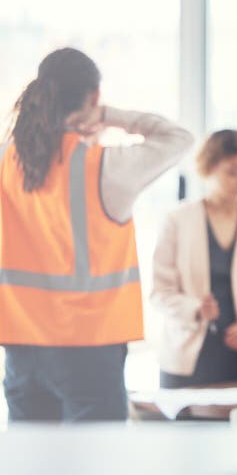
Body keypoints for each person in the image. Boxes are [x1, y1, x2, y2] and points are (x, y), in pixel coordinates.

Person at [0, 47, 193, 422]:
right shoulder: (106, 166)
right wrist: (108, 117)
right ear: (93, 97)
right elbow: (179, 138)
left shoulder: (8, 160)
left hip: (21, 343)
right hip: (89, 345)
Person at [151, 129, 237, 388]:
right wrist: (194, 308)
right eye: (233, 172)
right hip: (186, 360)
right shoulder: (176, 220)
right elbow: (160, 292)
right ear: (208, 167)